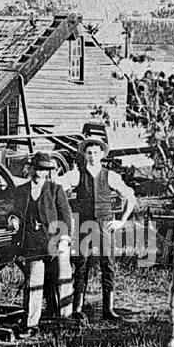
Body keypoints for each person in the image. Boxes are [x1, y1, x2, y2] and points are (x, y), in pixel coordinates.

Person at [61, 137, 137, 321]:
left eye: (96, 153)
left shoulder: (110, 175)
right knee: (81, 265)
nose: (93, 156)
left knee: (108, 265)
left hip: (105, 225)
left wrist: (121, 221)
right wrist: (66, 213)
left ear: (102, 154)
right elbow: (57, 190)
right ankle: (77, 308)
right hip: (83, 225)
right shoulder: (76, 175)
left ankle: (108, 309)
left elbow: (130, 197)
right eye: (89, 153)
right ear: (84, 155)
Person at [9, 152, 74, 337]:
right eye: (37, 168)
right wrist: (12, 220)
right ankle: (31, 325)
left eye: (44, 169)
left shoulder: (55, 190)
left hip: (55, 242)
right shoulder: (21, 191)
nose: (40, 172)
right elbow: (14, 212)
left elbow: (66, 218)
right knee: (33, 284)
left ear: (48, 172)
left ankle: (64, 322)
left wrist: (65, 240)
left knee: (63, 280)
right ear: (31, 169)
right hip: (32, 245)